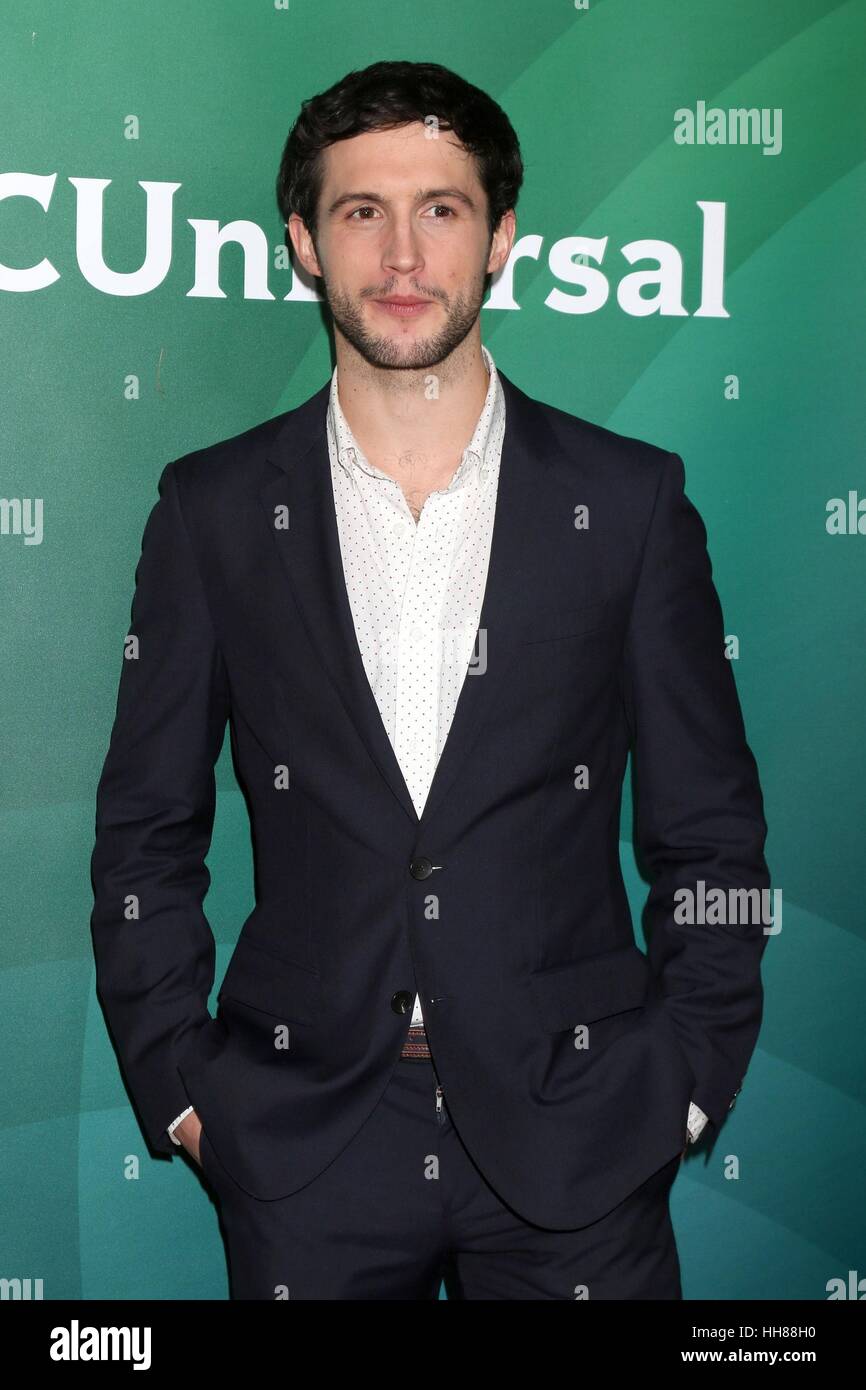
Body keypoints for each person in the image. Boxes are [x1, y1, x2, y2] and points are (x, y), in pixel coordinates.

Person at [90, 60, 770, 1300]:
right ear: (303, 241)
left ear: (500, 235)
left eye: (441, 210)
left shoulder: (626, 504)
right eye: (361, 212)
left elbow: (714, 843)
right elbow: (144, 835)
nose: (402, 253)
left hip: (581, 1131)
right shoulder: (213, 511)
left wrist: (685, 1082)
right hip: (306, 1147)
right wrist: (182, 1092)